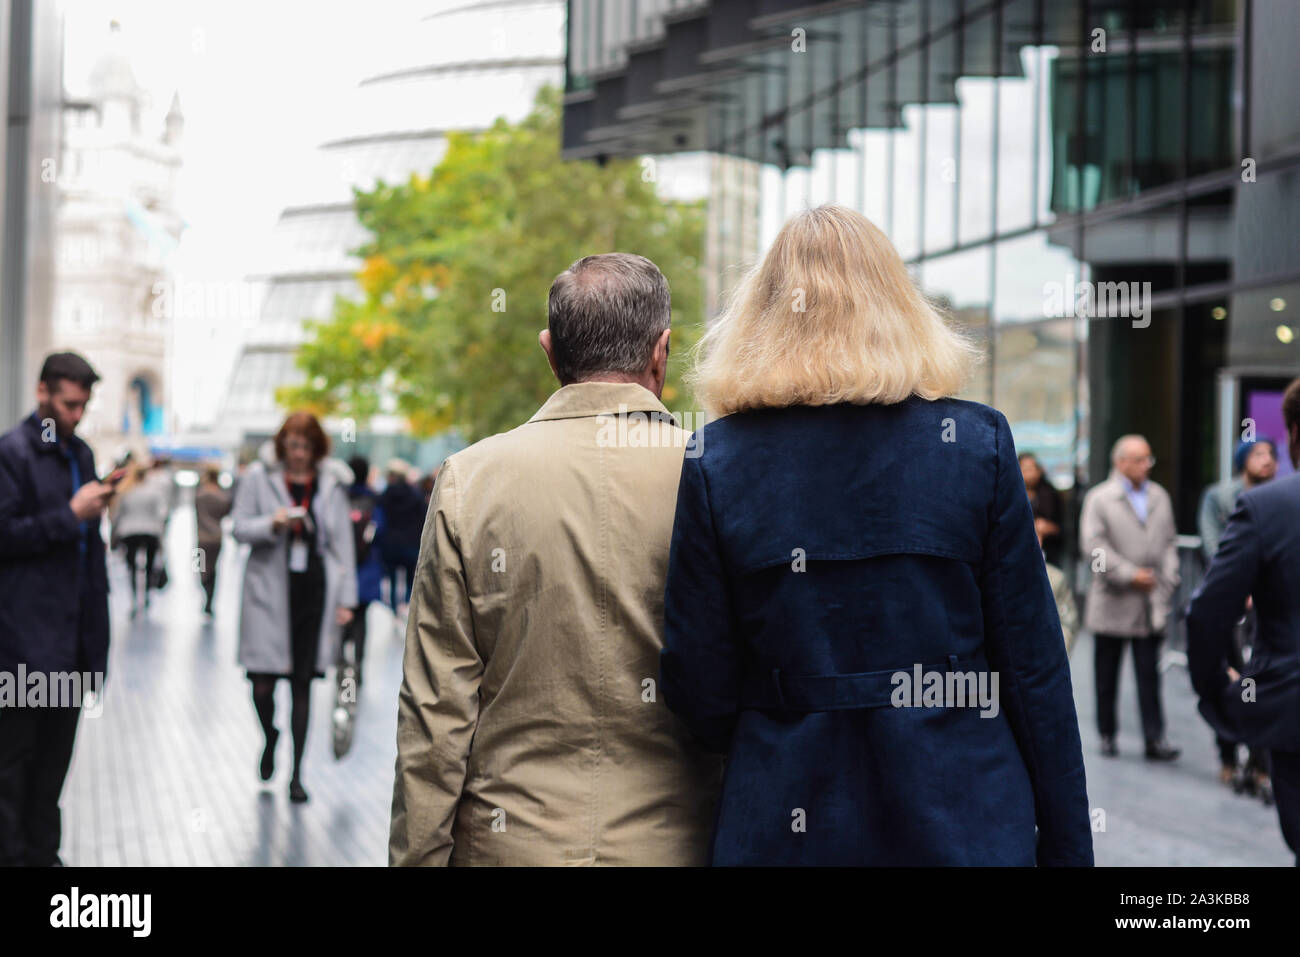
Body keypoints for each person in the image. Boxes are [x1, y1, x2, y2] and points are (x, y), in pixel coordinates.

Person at [659, 205, 1092, 866]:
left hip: (787, 818)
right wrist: (1068, 848)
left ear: (763, 316)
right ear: (897, 306)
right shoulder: (976, 445)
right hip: (963, 813)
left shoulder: (717, 461)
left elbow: (700, 686)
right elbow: (1033, 671)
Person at [390, 253, 723, 866]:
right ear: (663, 351)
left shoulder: (470, 481)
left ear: (550, 351)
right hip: (673, 845)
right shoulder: (715, 474)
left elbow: (434, 717)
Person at [0, 352, 113, 866]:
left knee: (51, 773)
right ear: (43, 393)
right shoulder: (13, 454)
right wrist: (69, 515)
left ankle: (45, 860)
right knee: (13, 773)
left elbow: (91, 563)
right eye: (68, 404)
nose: (76, 414)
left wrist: (96, 650)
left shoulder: (81, 455)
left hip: (70, 649)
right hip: (22, 648)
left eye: (83, 405)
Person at [1187, 379, 1300, 863]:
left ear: (1294, 434)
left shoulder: (1266, 508)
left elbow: (1208, 612)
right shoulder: (1246, 501)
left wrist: (1218, 691)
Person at [231, 412, 356, 804]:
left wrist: (347, 601)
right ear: (282, 444)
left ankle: (296, 775)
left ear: (316, 448)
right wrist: (273, 523)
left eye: (305, 446)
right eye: (292, 444)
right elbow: (238, 527)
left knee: (302, 684)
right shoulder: (258, 477)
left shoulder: (331, 483)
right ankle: (270, 736)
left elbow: (343, 546)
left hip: (313, 590)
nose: (298, 453)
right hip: (269, 588)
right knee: (262, 683)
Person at [1079, 435, 1180, 761]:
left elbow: (1169, 543)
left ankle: (1155, 738)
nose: (1146, 465)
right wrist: (1129, 574)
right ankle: (1107, 733)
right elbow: (1094, 548)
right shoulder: (1100, 498)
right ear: (1121, 463)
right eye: (1139, 459)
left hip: (1150, 603)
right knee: (1106, 674)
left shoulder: (1159, 496)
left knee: (1149, 676)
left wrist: (1169, 578)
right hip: (1113, 601)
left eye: (1148, 459)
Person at [1197, 438, 1277, 794]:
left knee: (1259, 681)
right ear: (1243, 461)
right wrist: (1236, 589)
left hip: (1266, 606)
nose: (1267, 461)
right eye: (1258, 454)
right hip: (1229, 602)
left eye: (1271, 455)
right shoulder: (1219, 496)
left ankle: (1261, 762)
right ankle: (1228, 754)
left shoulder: (1281, 497)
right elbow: (1214, 546)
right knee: (1229, 676)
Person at [341, 455, 383, 684]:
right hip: (366, 570)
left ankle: (341, 662)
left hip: (343, 570)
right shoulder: (374, 500)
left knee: (342, 616)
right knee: (361, 619)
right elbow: (381, 531)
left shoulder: (341, 497)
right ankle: (358, 664)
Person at [112, 461, 169, 616]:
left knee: (131, 568)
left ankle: (135, 599)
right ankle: (147, 596)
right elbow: (161, 513)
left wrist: (115, 534)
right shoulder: (154, 492)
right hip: (150, 531)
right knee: (149, 567)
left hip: (129, 531)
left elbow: (117, 515)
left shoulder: (126, 491)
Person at [377, 460, 424, 617]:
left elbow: (380, 520)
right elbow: (422, 518)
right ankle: (405, 604)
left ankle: (393, 607)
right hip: (410, 543)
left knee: (392, 579)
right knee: (411, 577)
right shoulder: (415, 494)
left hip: (390, 543)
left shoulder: (385, 495)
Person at [194, 466, 233, 617]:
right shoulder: (222, 496)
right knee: (213, 568)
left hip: (202, 538)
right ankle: (210, 598)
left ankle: (207, 593)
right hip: (217, 537)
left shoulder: (200, 493)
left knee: (200, 567)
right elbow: (227, 511)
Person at [1021, 452, 1064, 567]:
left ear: (1039, 470)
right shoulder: (1010, 495)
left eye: (1031, 468)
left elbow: (1062, 529)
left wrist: (1047, 527)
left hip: (1048, 555)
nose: (1029, 473)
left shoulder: (1050, 494)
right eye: (1025, 469)